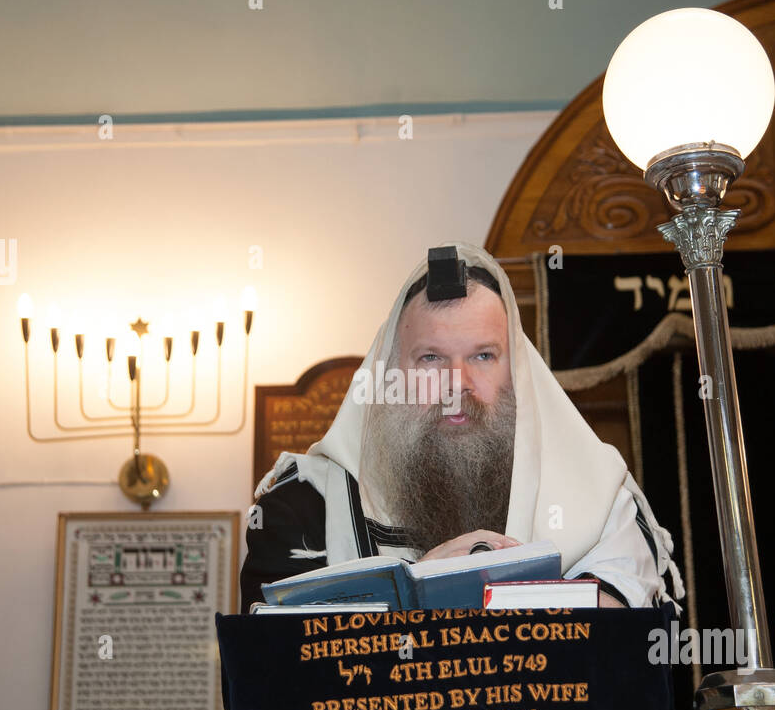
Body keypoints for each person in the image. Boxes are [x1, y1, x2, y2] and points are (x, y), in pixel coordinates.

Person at [240, 242, 684, 613]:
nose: (457, 385)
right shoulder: (300, 510)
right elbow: (277, 687)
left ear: (519, 373)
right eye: (431, 358)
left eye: (483, 356)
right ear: (391, 372)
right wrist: (416, 593)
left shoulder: (597, 496)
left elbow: (621, 664)